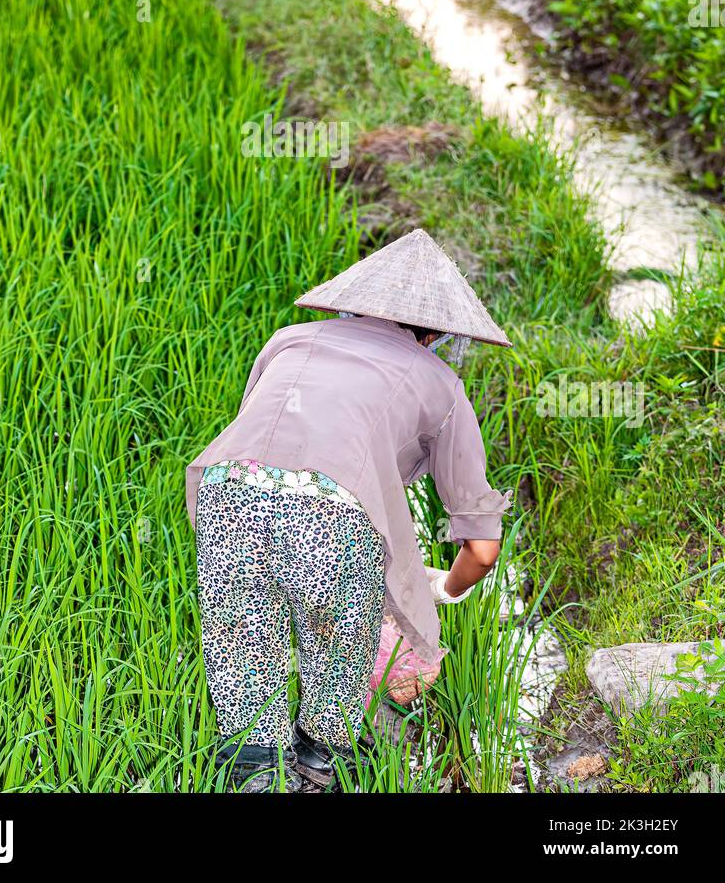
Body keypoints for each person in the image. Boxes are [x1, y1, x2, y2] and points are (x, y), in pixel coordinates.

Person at [186, 228, 513, 792]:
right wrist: (447, 588)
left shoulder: (288, 341)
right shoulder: (440, 381)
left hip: (227, 496)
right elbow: (482, 549)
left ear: (353, 303)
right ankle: (317, 767)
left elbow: (265, 443)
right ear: (437, 331)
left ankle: (257, 774)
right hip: (333, 519)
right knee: (328, 709)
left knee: (245, 694)